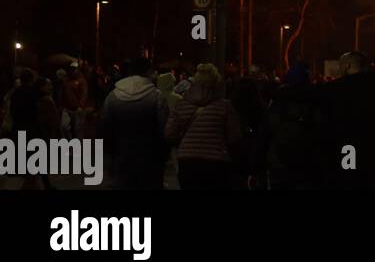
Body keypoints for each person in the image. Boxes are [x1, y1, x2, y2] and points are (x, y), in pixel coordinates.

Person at [318, 52, 375, 189]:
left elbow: (324, 128)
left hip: (348, 153)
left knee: (350, 182)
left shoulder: (334, 89)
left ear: (348, 66)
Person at [165, 63, 241, 190]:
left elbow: (169, 134)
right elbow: (234, 136)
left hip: (187, 160)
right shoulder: (224, 106)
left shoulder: (182, 104)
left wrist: (185, 142)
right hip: (216, 162)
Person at [98, 59, 169, 190]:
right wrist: (163, 155)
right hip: (150, 158)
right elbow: (163, 130)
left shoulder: (113, 96)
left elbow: (104, 127)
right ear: (148, 72)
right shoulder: (156, 96)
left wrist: (111, 154)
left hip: (122, 157)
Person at [250, 64, 324, 190]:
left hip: (278, 165)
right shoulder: (316, 105)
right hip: (308, 166)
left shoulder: (276, 105)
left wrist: (254, 169)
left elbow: (263, 137)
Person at [61, 64, 90, 139]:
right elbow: (63, 94)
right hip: (67, 108)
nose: (73, 71)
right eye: (71, 69)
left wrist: (81, 106)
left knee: (78, 129)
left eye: (75, 69)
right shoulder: (65, 81)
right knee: (64, 126)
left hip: (78, 109)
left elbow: (84, 94)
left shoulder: (82, 80)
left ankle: (78, 146)